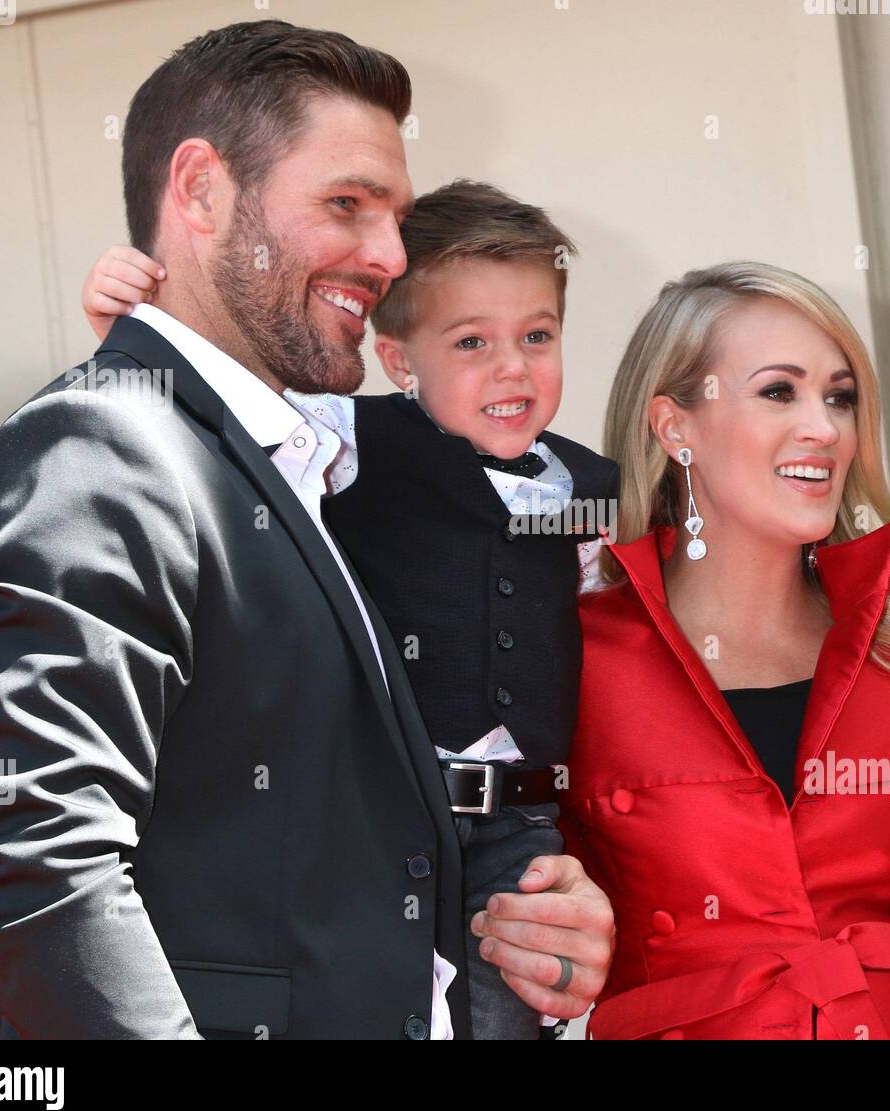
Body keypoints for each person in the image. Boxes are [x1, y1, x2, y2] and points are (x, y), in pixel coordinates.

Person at [0, 19, 612, 1040]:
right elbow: (46, 873)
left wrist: (541, 922)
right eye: (347, 205)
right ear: (202, 192)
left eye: (395, 217)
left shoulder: (309, 480)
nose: (389, 256)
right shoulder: (100, 447)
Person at [80, 178, 621, 1040]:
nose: (513, 367)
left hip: (522, 823)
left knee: (509, 1011)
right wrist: (137, 326)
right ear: (401, 362)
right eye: (472, 341)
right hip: (383, 807)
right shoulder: (348, 439)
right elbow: (209, 414)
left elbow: (624, 631)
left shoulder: (589, 485)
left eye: (537, 336)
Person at [548, 261, 890, 1039]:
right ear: (675, 427)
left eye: (840, 396)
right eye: (779, 391)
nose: (826, 428)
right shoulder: (570, 658)